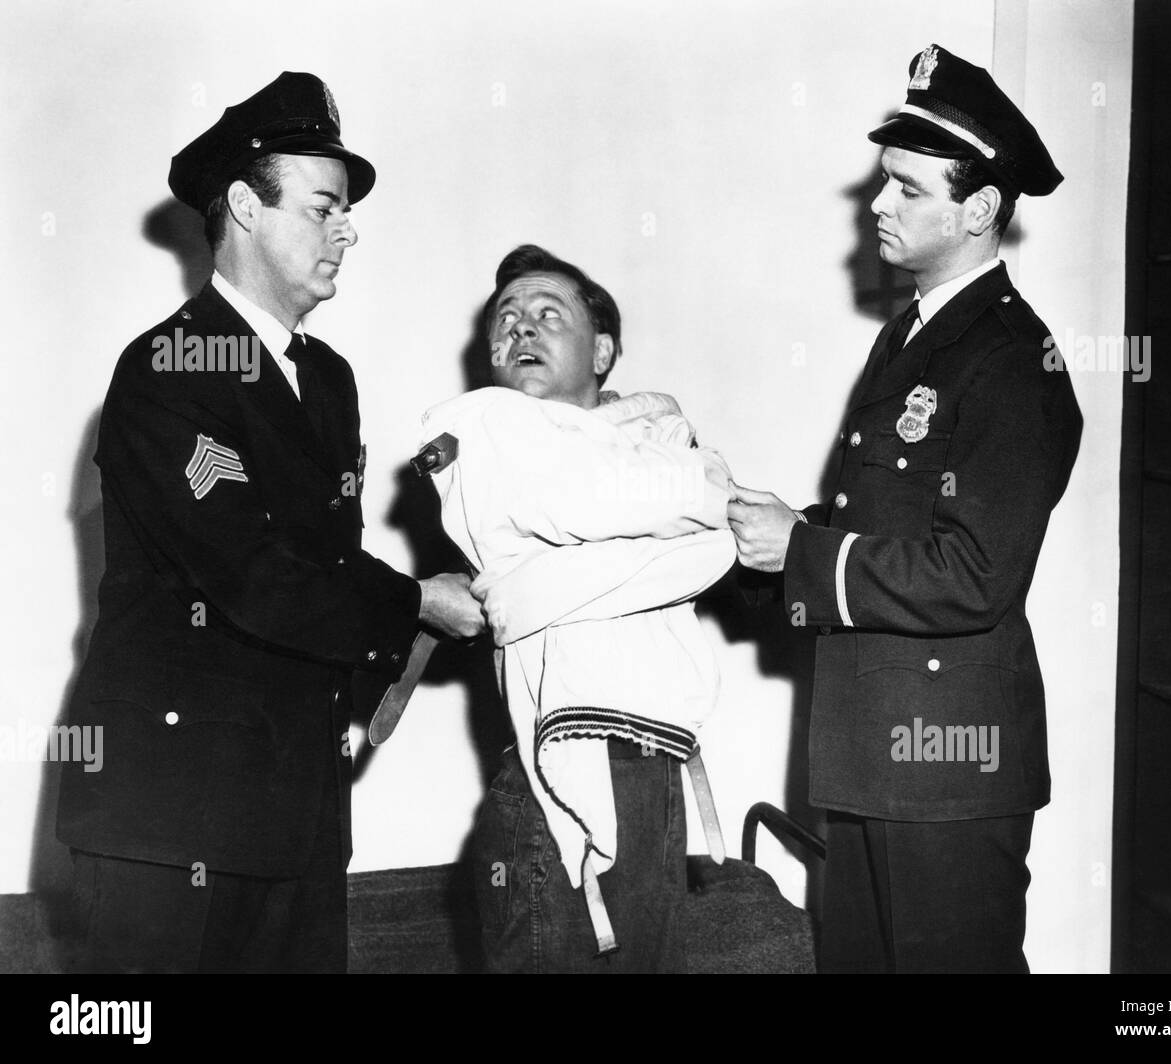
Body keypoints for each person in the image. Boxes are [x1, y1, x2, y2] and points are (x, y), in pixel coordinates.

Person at [55, 71, 484, 973]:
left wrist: (368, 699)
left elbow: (332, 560)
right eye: (323, 207)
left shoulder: (326, 379)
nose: (348, 229)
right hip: (168, 829)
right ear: (246, 208)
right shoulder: (171, 364)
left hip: (298, 823)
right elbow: (259, 571)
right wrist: (417, 603)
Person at [728, 44, 1083, 973]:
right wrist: (739, 549)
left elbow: (975, 575)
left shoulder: (1010, 359)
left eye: (907, 190)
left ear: (979, 212)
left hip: (950, 773)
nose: (876, 205)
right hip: (869, 758)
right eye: (884, 183)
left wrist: (798, 551)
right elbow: (877, 523)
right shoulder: (916, 335)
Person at [417, 245, 735, 972]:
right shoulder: (483, 426)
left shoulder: (654, 436)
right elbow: (584, 500)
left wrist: (684, 520)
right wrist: (708, 495)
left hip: (656, 773)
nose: (521, 328)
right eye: (507, 318)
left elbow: (714, 555)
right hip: (555, 773)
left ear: (603, 351)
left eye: (546, 314)